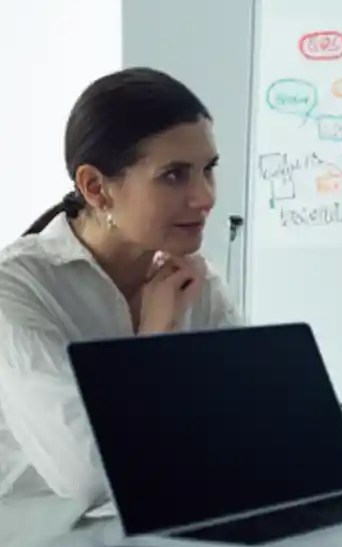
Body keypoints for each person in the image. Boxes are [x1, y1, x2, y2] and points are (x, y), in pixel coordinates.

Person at [0, 68, 239, 505]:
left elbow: (252, 435)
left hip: (178, 539)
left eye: (209, 170)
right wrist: (152, 342)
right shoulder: (15, 290)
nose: (205, 197)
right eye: (174, 175)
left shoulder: (195, 281)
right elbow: (92, 476)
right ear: (96, 188)